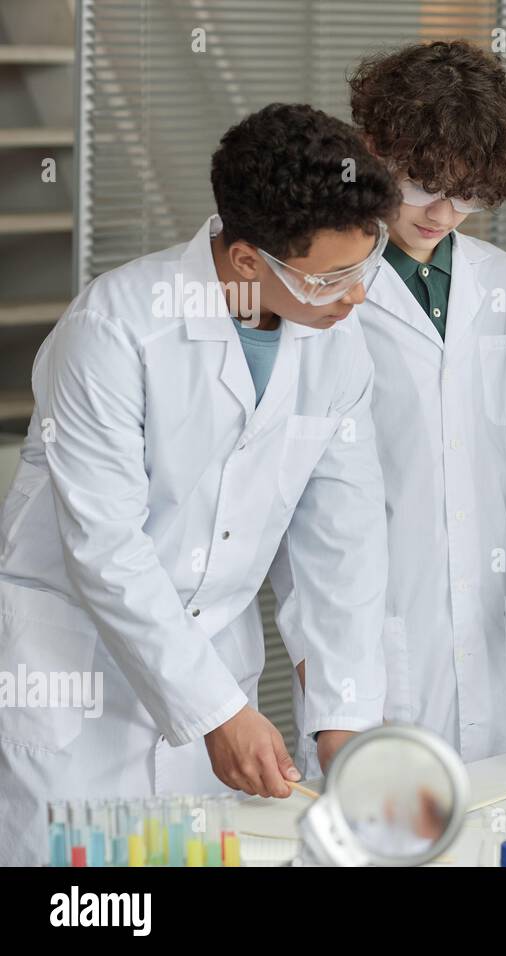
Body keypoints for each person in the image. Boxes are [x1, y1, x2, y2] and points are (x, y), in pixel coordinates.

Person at [0, 103, 394, 865]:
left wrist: (343, 718)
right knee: (87, 903)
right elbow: (107, 549)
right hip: (75, 675)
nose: (358, 296)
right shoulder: (113, 332)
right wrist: (214, 711)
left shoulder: (338, 348)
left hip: (215, 658)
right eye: (335, 276)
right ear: (248, 262)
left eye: (367, 264)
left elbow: (341, 546)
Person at [280, 40, 506, 772]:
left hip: (494, 629)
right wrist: (315, 654)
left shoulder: (501, 281)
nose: (444, 212)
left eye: (468, 194)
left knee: (499, 820)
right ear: (375, 148)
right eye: (424, 184)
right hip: (373, 632)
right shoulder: (322, 285)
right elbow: (289, 491)